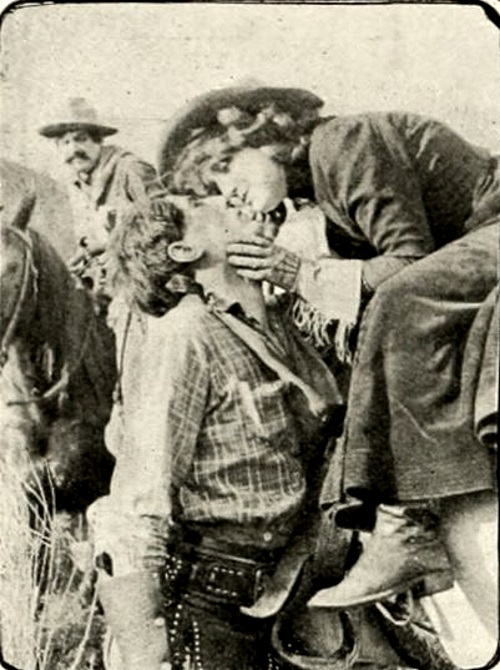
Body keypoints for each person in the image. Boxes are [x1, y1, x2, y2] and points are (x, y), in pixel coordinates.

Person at [157, 85, 499, 611]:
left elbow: (407, 262)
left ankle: (406, 530)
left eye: (228, 167)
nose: (233, 194)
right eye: (219, 192)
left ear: (263, 136)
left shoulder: (343, 141)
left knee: (400, 299)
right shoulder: (319, 189)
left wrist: (298, 273)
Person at [88, 196, 344, 670]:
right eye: (211, 208)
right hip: (215, 601)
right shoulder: (185, 333)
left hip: (297, 578)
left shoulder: (277, 325)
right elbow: (140, 495)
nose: (238, 207)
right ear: (184, 250)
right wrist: (146, 644)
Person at [38, 97, 162, 302]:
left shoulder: (130, 169)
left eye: (81, 139)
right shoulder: (77, 183)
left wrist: (108, 244)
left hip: (142, 283)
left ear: (98, 140)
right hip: (103, 284)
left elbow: (164, 223)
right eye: (65, 142)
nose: (73, 150)